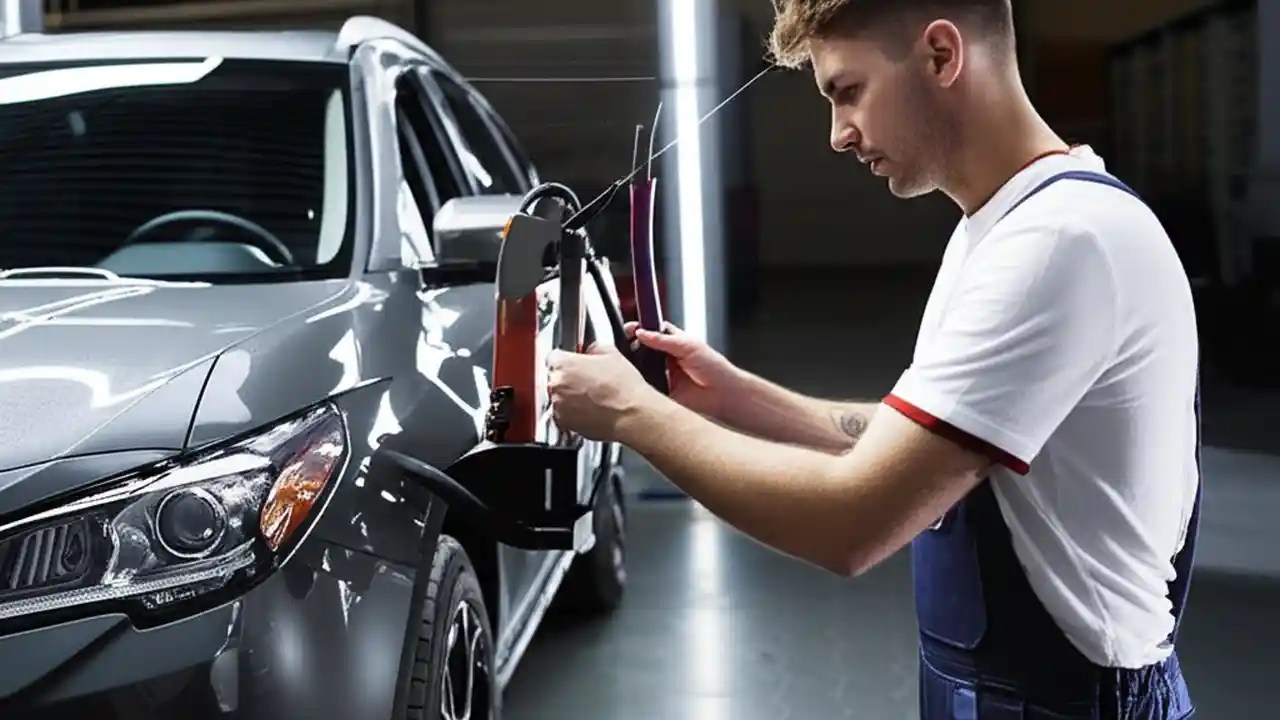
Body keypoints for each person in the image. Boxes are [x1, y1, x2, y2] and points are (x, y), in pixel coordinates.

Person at [546, 0, 1201, 717]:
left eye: (846, 91)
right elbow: (918, 439)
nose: (837, 135)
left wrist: (632, 415)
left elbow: (850, 523)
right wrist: (735, 398)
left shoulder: (1060, 243)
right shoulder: (1005, 227)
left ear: (942, 55)